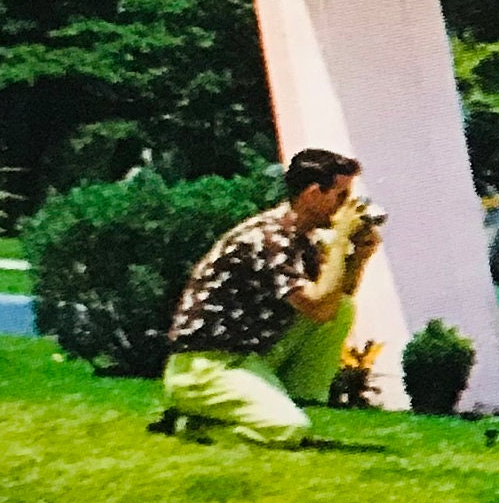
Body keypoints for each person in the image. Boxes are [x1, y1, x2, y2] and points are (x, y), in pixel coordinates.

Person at [155, 149, 379, 449]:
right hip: (206, 366)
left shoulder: (300, 237)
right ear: (313, 194)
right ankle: (194, 426)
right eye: (341, 196)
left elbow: (333, 302)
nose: (346, 206)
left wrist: (358, 257)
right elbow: (316, 306)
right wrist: (340, 239)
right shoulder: (269, 238)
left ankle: (281, 401)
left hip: (247, 356)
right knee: (286, 431)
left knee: (342, 308)